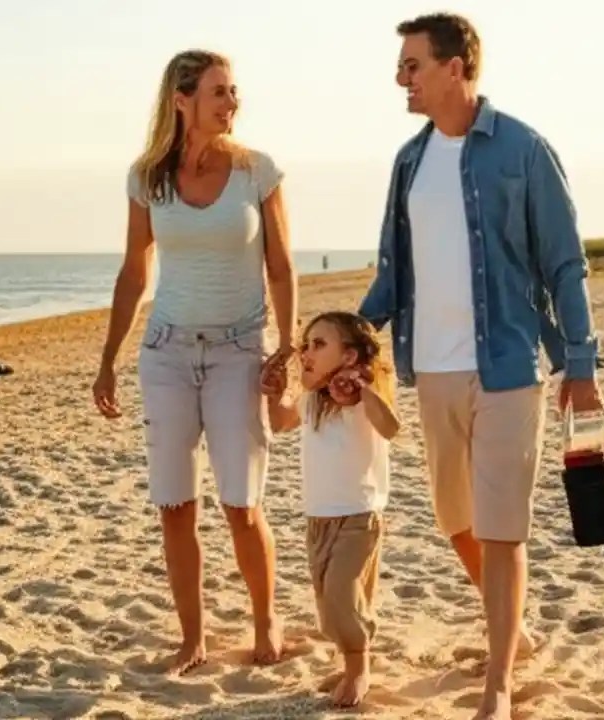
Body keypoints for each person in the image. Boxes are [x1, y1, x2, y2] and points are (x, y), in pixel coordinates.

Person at [357, 13, 604, 720]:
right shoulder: (408, 161)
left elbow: (564, 265)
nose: (401, 78)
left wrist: (580, 362)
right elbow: (391, 274)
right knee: (454, 518)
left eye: (412, 64)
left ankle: (499, 678)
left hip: (506, 367)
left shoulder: (524, 150)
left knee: (501, 526)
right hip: (429, 369)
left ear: (456, 66)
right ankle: (514, 630)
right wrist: (347, 337)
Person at [90, 49, 298, 675]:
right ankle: (193, 638)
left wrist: (285, 349)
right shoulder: (146, 176)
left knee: (242, 503)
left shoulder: (258, 171)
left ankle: (266, 619)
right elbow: (134, 272)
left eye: (234, 92)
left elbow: (282, 268)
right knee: (176, 505)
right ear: (181, 99)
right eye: (219, 93)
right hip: (167, 354)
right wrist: (108, 359)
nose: (232, 104)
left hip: (240, 350)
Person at [261, 311, 398, 708]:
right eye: (305, 345)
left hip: (359, 514)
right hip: (318, 517)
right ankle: (352, 655)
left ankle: (359, 667)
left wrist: (364, 390)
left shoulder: (364, 402)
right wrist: (274, 394)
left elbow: (390, 428)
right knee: (329, 606)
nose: (306, 352)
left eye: (319, 344)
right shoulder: (311, 402)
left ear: (351, 357)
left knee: (341, 593)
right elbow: (280, 422)